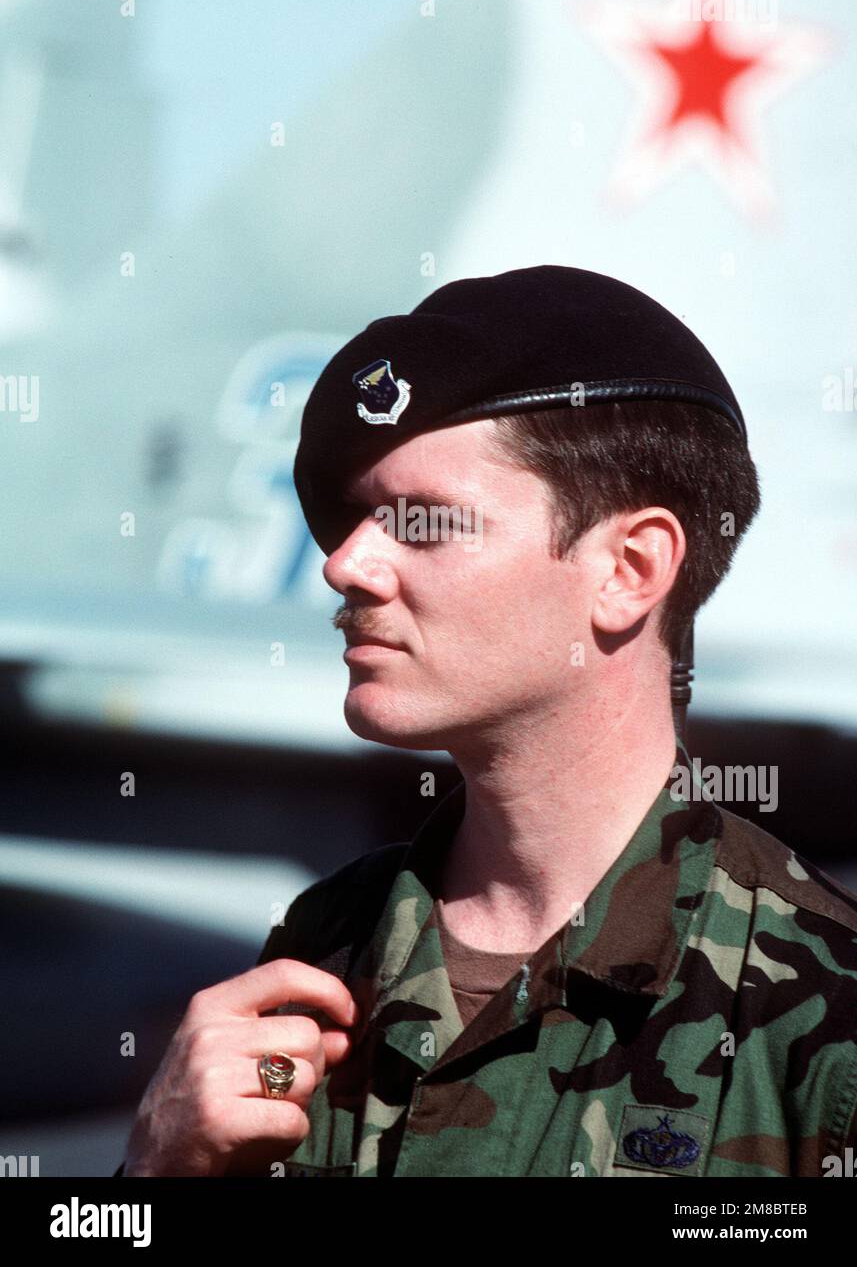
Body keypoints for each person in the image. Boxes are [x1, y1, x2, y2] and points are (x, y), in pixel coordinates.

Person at [117, 265, 857, 1178]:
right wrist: (158, 1174)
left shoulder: (819, 1019)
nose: (345, 565)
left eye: (421, 522)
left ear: (628, 568)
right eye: (352, 520)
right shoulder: (322, 951)